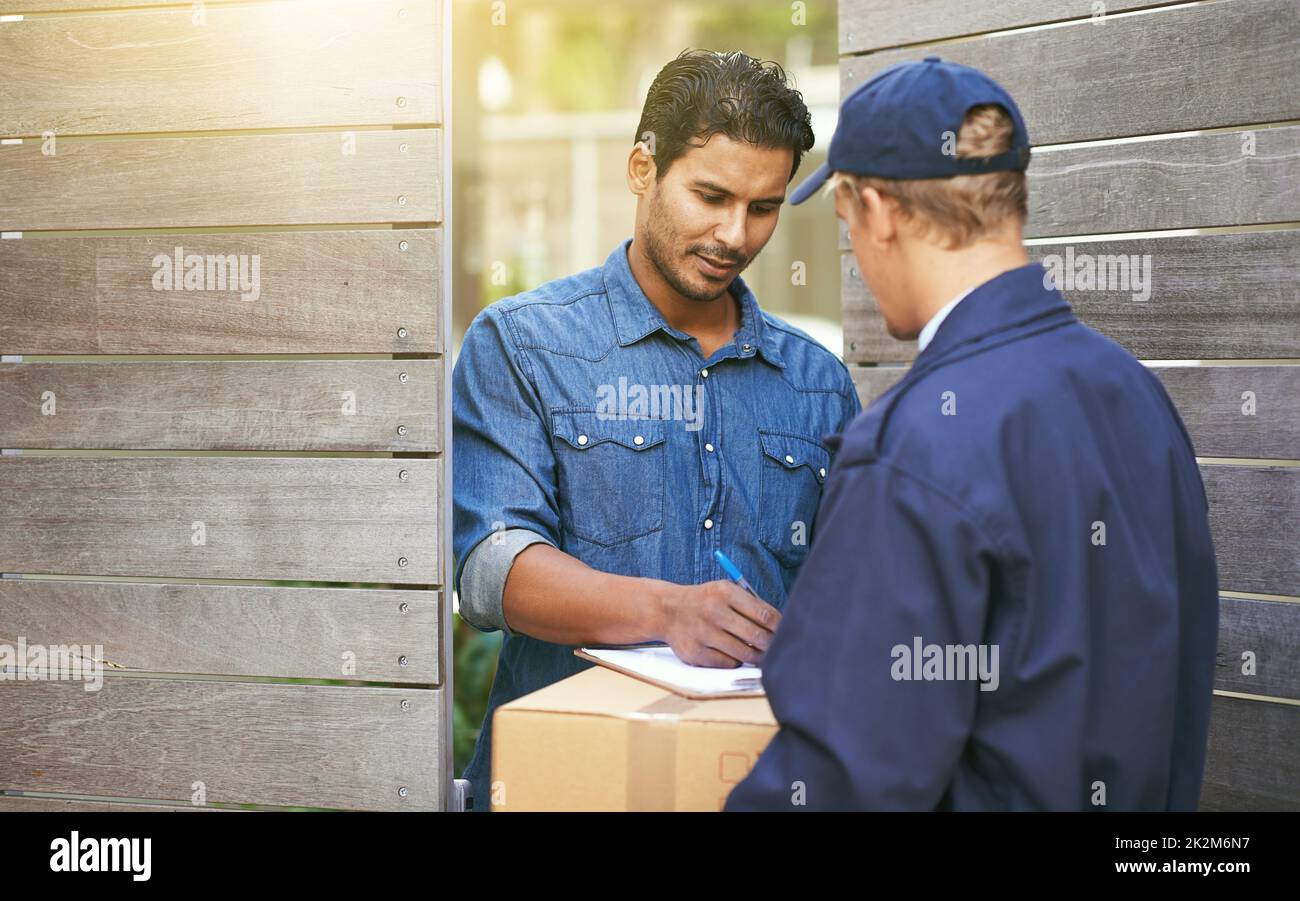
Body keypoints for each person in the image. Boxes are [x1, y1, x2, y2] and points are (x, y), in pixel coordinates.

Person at [725, 58, 1219, 811]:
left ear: (879, 210)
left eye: (846, 220)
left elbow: (839, 783)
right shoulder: (1139, 397)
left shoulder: (911, 445)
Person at [453, 49, 861, 811]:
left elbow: (852, 600)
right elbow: (490, 571)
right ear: (643, 168)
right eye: (710, 195)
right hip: (563, 785)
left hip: (754, 784)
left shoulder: (817, 383)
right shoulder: (520, 344)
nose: (734, 234)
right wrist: (667, 612)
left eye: (763, 207)